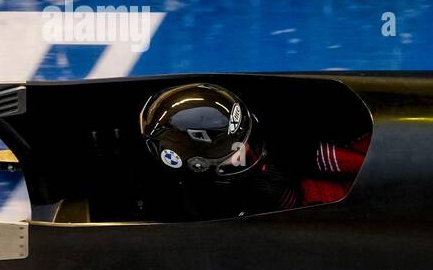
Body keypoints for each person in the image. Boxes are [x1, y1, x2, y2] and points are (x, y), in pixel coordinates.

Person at [139, 82, 368, 220]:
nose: (247, 147)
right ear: (199, 166)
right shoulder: (211, 208)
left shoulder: (282, 140)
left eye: (246, 138)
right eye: (234, 150)